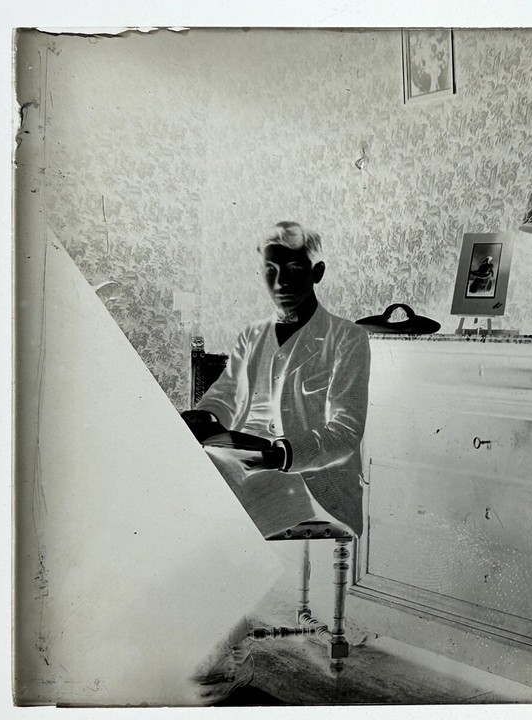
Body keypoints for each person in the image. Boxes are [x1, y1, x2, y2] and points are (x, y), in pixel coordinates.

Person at [182, 220, 371, 701]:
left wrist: (279, 452)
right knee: (186, 478)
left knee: (213, 496)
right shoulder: (251, 337)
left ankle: (227, 651)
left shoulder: (347, 339)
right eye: (270, 270)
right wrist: (198, 418)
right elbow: (223, 398)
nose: (281, 282)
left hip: (313, 483)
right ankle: (205, 634)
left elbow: (345, 435)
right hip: (248, 466)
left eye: (293, 268)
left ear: (317, 272)